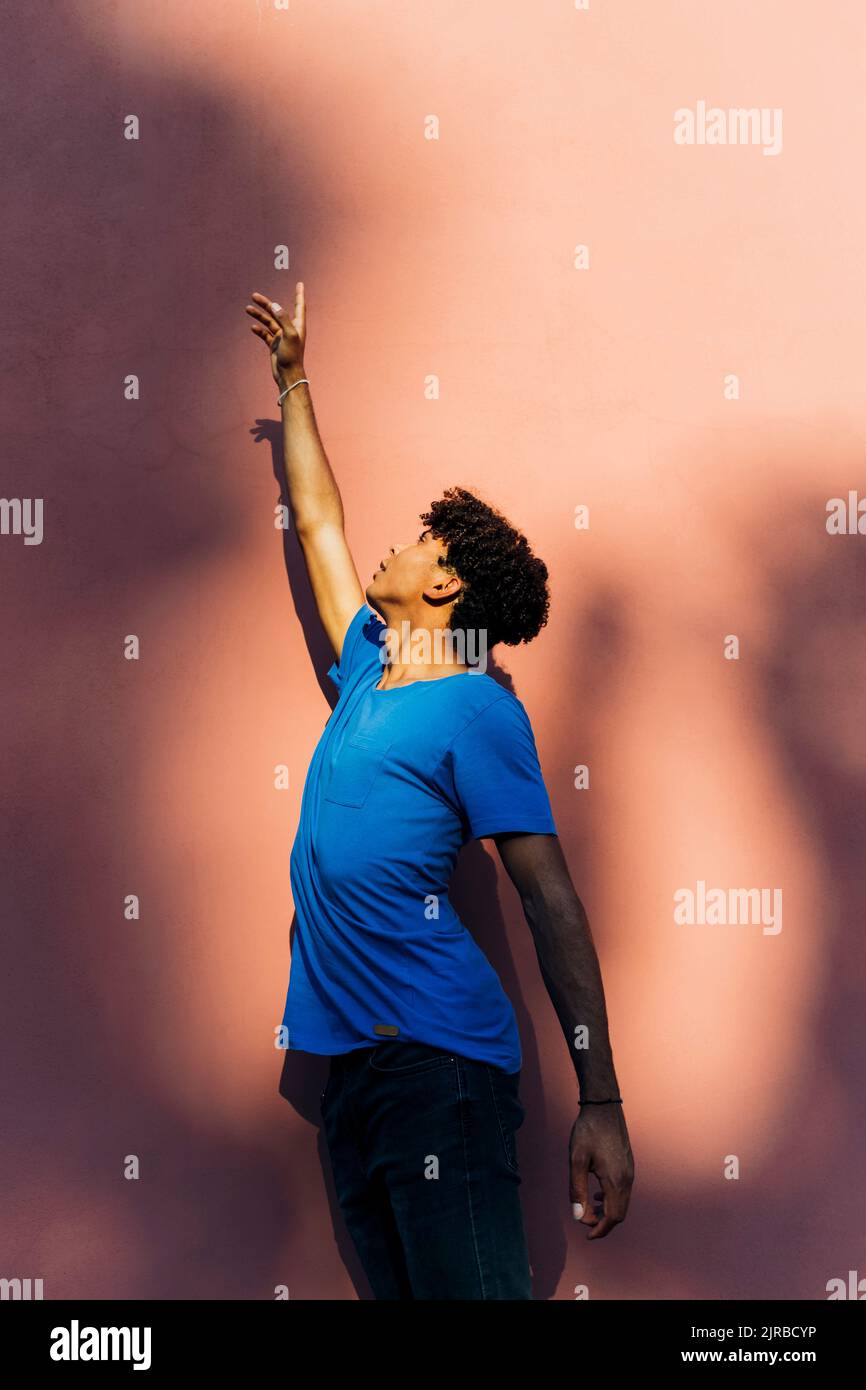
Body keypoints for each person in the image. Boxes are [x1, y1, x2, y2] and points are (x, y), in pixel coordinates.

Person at [245, 282, 634, 1300]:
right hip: (353, 1079)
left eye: (420, 539)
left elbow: (549, 901)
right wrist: (295, 382)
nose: (396, 541)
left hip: (437, 1073)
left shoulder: (477, 711)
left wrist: (599, 1099)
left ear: (445, 584)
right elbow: (321, 528)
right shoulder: (370, 665)